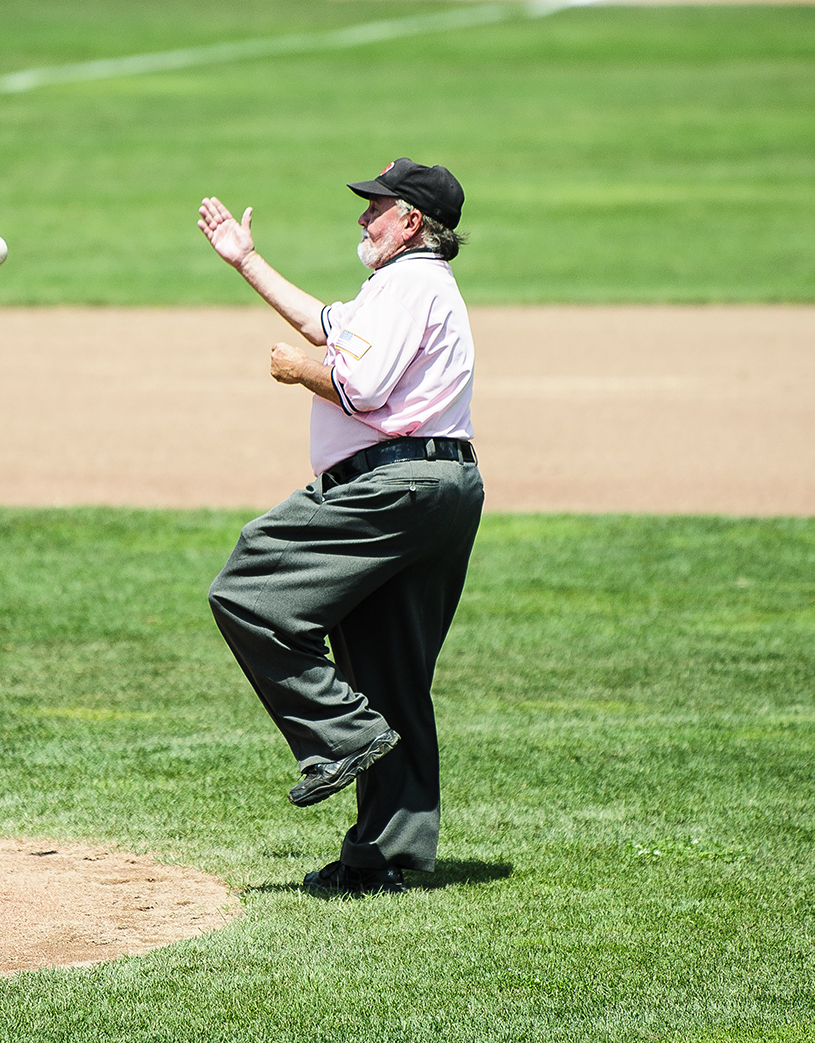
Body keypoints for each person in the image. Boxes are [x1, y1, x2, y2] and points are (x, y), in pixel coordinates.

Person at [197, 158, 485, 897]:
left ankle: (341, 734)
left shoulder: (406, 285)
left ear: (411, 221)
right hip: (441, 487)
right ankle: (380, 860)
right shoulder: (410, 285)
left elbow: (360, 386)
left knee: (250, 585)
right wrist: (245, 260)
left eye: (376, 207)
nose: (363, 217)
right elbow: (324, 323)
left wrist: (300, 370)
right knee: (388, 673)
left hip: (395, 486)